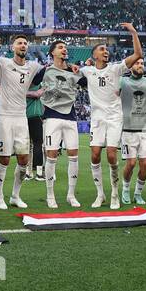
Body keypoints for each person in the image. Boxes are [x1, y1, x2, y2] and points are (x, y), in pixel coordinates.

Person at [78, 24, 143, 208]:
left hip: (115, 117)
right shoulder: (87, 71)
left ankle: (115, 192)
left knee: (111, 154)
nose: (105, 51)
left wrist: (134, 33)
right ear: (94, 56)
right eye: (101, 49)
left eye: (106, 49)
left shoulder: (116, 69)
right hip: (97, 119)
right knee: (95, 154)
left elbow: (138, 55)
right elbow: (72, 70)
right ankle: (100, 195)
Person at [31, 41, 83, 208]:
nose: (64, 49)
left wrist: (83, 68)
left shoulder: (74, 71)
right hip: (51, 117)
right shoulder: (45, 71)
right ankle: (50, 195)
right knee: (51, 156)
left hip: (70, 117)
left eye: (65, 47)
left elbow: (89, 84)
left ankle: (71, 195)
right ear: (52, 52)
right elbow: (28, 82)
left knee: (74, 156)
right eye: (60, 47)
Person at [0, 34, 38, 208]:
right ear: (12, 47)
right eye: (19, 43)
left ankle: (15, 196)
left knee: (23, 159)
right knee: (4, 158)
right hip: (4, 116)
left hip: (21, 117)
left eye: (25, 43)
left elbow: (51, 70)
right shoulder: (3, 63)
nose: (23, 45)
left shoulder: (33, 66)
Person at [119, 61, 146, 204]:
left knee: (144, 164)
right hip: (128, 130)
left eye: (142, 63)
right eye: (137, 63)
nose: (140, 65)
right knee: (131, 163)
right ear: (130, 66)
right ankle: (125, 189)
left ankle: (138, 193)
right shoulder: (123, 82)